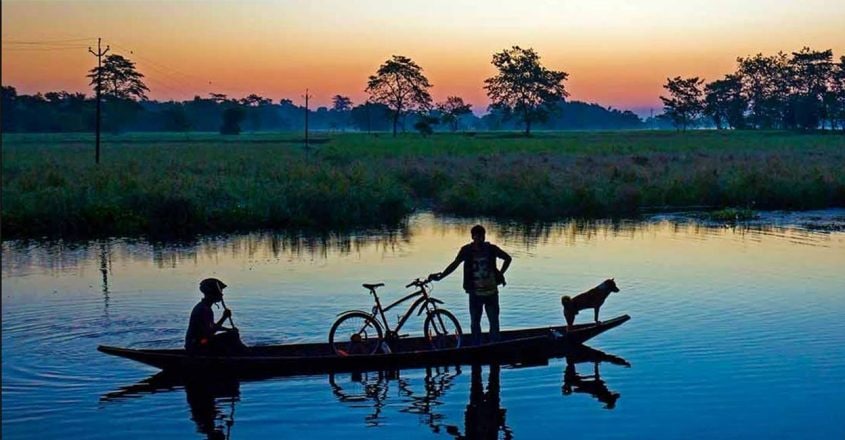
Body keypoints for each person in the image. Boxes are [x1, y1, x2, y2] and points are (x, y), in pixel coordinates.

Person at [431, 225, 512, 345]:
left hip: (491, 292)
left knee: (494, 322)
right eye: (477, 236)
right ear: (472, 237)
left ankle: (495, 345)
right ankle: (476, 346)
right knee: (475, 322)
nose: (479, 239)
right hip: (475, 293)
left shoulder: (491, 249)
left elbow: (508, 258)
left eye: (481, 236)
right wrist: (441, 276)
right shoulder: (466, 250)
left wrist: (500, 274)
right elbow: (455, 264)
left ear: (484, 237)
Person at [185, 278, 247, 355]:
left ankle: (242, 353)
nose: (222, 294)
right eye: (220, 291)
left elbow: (211, 326)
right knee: (231, 337)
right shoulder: (203, 310)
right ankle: (244, 354)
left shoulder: (205, 307)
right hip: (198, 345)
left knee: (232, 335)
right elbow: (210, 332)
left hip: (199, 343)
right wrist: (224, 318)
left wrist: (228, 330)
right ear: (213, 293)